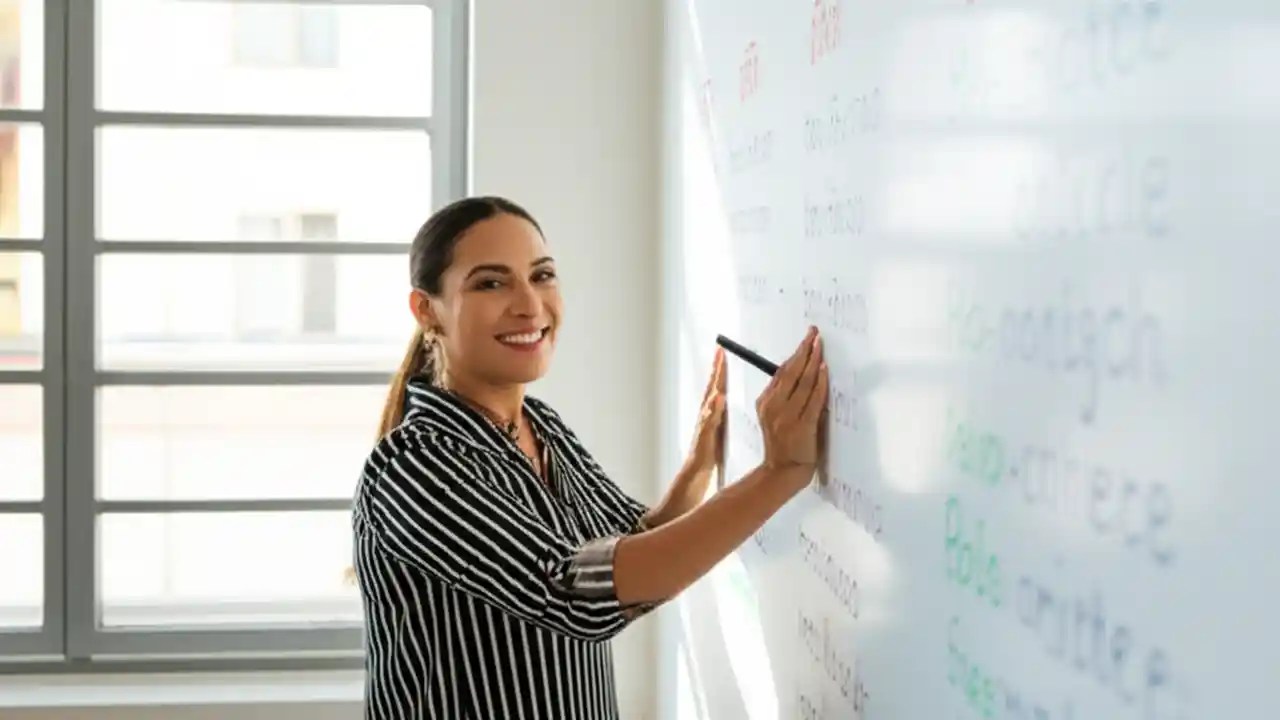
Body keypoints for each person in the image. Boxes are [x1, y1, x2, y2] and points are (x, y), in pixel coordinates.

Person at [350, 195, 829, 720]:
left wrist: (697, 468)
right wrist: (779, 473)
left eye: (542, 275)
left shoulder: (541, 427)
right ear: (427, 311)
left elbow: (634, 545)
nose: (529, 305)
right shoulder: (417, 463)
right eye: (491, 283)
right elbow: (579, 595)